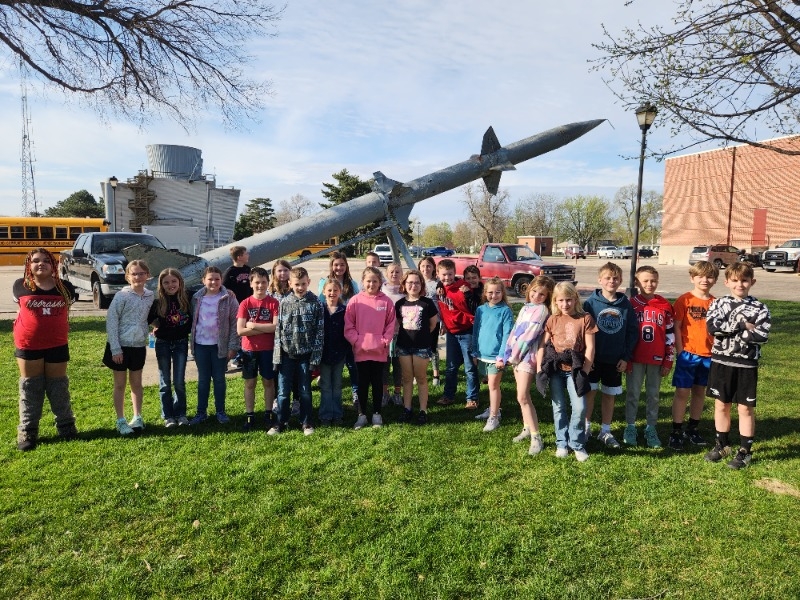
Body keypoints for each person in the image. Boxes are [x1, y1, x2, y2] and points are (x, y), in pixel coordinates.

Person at [703, 263, 770, 469]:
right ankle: (722, 445)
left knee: (745, 408)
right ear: (726, 282)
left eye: (744, 280)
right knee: (721, 404)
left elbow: (761, 335)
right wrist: (742, 326)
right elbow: (713, 328)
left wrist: (731, 331)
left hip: (746, 364)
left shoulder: (760, 308)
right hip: (721, 362)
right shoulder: (718, 304)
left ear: (752, 282)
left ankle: (745, 451)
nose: (739, 284)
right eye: (735, 280)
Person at [13, 248, 78, 450]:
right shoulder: (20, 286)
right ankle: (28, 432)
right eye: (35, 261)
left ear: (53, 265)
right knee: (31, 388)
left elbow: (68, 309)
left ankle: (66, 426)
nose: (40, 264)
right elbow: (20, 310)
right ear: (29, 266)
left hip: (57, 344)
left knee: (58, 387)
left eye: (45, 261)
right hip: (28, 345)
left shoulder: (65, 288)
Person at [536, 282, 597, 462]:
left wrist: (584, 370)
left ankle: (577, 443)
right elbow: (542, 345)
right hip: (555, 369)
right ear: (555, 301)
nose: (565, 304)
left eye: (568, 300)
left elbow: (590, 348)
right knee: (559, 407)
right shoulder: (552, 319)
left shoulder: (585, 318)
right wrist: (540, 367)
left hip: (576, 370)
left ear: (575, 299)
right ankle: (562, 443)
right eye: (561, 300)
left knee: (579, 407)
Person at [583, 262, 638, 449]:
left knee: (609, 395)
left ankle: (605, 430)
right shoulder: (590, 303)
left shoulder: (625, 304)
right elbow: (583, 332)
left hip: (615, 360)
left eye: (615, 278)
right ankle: (586, 427)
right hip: (593, 359)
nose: (611, 281)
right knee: (589, 392)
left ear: (621, 281)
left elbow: (632, 332)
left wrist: (626, 357)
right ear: (600, 280)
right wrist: (586, 357)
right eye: (608, 278)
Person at [668, 261, 719, 450]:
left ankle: (693, 428)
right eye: (700, 276)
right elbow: (677, 326)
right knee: (682, 392)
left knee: (699, 392)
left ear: (714, 280)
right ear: (692, 278)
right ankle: (676, 430)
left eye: (709, 276)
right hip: (688, 354)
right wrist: (680, 351)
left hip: (709, 355)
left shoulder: (716, 302)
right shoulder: (685, 300)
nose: (705, 280)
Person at [501, 275, 554, 455]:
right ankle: (526, 427)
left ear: (547, 297)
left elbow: (528, 336)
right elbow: (516, 331)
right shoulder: (526, 307)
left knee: (523, 396)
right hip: (516, 355)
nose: (536, 296)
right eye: (534, 291)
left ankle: (536, 437)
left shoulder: (541, 311)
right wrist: (507, 352)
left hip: (527, 356)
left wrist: (513, 355)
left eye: (542, 294)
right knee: (521, 396)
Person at [623, 266, 675, 448]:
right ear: (637, 282)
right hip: (635, 357)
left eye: (653, 280)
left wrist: (668, 359)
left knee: (653, 395)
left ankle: (650, 428)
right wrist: (626, 358)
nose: (649, 284)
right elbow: (626, 334)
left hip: (656, 357)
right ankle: (630, 426)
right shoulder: (630, 304)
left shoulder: (665, 305)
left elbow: (670, 335)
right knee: (633, 394)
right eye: (645, 281)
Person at [270, 266, 324, 436]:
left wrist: (315, 358)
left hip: (306, 356)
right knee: (283, 392)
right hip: (286, 355)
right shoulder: (284, 303)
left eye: (303, 284)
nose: (300, 287)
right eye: (297, 284)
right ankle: (280, 421)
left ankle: (307, 422)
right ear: (290, 283)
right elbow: (278, 331)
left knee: (305, 391)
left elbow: (319, 332)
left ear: (308, 282)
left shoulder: (316, 304)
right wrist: (277, 358)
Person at [103, 260, 155, 435]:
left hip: (138, 345)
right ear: (127, 277)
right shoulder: (121, 296)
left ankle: (137, 416)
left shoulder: (150, 296)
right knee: (120, 384)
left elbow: (149, 317)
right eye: (134, 274)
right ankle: (120, 420)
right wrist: (115, 349)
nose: (138, 277)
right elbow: (112, 321)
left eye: (141, 273)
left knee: (137, 383)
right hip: (120, 346)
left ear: (147, 275)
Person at [345, 266, 396, 430]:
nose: (372, 284)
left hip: (379, 351)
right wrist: (357, 341)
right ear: (363, 282)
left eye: (375, 281)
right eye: (368, 281)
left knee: (377, 383)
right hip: (361, 351)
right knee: (362, 383)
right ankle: (361, 415)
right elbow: (349, 325)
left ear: (380, 282)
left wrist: (383, 341)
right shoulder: (355, 301)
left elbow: (390, 325)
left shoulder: (386, 301)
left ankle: (376, 413)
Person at [189, 266, 239, 425]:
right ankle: (201, 412)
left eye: (217, 279)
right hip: (201, 346)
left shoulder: (228, 297)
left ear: (221, 280)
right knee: (203, 380)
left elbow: (234, 323)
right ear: (203, 280)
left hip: (220, 346)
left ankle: (220, 411)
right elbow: (193, 319)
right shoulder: (197, 298)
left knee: (219, 379)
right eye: (210, 279)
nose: (214, 282)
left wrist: (233, 346)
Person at [148, 268, 192, 428]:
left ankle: (180, 414)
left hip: (181, 343)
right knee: (165, 382)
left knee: (179, 381)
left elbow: (208, 289)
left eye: (174, 281)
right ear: (161, 285)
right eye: (166, 282)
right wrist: (158, 326)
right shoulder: (158, 302)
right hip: (163, 343)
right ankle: (168, 415)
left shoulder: (188, 297)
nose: (170, 285)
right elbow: (150, 318)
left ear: (180, 282)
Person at [236, 267, 279, 431]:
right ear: (251, 283)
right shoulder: (245, 303)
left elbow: (275, 327)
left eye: (263, 282)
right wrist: (264, 327)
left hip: (268, 349)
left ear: (268, 283)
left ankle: (268, 413)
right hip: (249, 349)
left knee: (268, 381)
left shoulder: (273, 303)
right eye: (257, 282)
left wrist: (253, 325)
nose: (260, 286)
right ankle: (250, 415)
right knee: (250, 382)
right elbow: (240, 330)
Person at [394, 269, 439, 425]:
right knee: (406, 378)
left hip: (422, 347)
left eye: (417, 282)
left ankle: (422, 410)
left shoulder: (427, 303)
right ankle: (407, 408)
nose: (413, 285)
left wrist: (422, 335)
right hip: (404, 346)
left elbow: (433, 324)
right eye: (410, 282)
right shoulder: (399, 303)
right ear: (405, 284)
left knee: (420, 378)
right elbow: (399, 323)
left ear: (421, 284)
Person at [318, 251, 360, 409]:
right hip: (332, 331)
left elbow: (356, 304)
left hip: (349, 329)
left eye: (342, 264)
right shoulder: (325, 283)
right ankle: (327, 395)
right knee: (331, 366)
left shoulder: (352, 284)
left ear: (346, 266)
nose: (339, 267)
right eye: (336, 264)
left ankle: (356, 392)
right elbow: (321, 304)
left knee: (352, 364)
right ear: (331, 266)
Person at [471, 277, 513, 432]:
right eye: (490, 292)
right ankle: (493, 408)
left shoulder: (505, 311)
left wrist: (502, 356)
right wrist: (474, 351)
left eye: (497, 292)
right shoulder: (480, 310)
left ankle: (494, 417)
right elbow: (476, 331)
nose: (494, 295)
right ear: (485, 293)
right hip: (482, 354)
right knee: (489, 385)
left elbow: (507, 335)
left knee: (494, 386)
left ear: (502, 293)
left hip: (496, 357)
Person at [435, 259, 479, 409]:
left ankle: (472, 398)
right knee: (451, 367)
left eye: (450, 274)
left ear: (455, 273)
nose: (447, 278)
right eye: (444, 275)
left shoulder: (463, 288)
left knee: (469, 367)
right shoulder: (440, 289)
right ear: (438, 274)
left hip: (467, 332)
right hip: (451, 333)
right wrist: (440, 284)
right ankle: (449, 395)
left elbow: (473, 304)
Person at [319, 279, 349, 425]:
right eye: (329, 290)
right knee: (325, 385)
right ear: (324, 292)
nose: (332, 293)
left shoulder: (345, 311)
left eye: (335, 290)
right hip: (324, 354)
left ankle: (337, 414)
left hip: (339, 353)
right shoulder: (320, 310)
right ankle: (325, 415)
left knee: (337, 385)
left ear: (340, 292)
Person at [223, 245, 253, 371]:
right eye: (246, 253)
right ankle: (227, 359)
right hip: (236, 307)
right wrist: (229, 290)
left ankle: (239, 357)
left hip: (248, 306)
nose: (248, 255)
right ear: (240, 257)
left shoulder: (248, 269)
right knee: (235, 333)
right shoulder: (230, 271)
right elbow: (223, 287)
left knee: (246, 333)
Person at [382, 262, 404, 406]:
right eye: (391, 272)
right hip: (384, 335)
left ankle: (397, 393)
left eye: (397, 272)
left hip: (401, 335)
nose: (394, 274)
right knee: (384, 365)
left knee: (398, 366)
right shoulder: (381, 292)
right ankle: (384, 393)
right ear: (386, 274)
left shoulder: (405, 292)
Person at [417, 256, 441, 386]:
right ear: (419, 267)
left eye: (428, 266)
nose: (425, 269)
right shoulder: (416, 281)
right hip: (417, 321)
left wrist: (441, 321)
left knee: (432, 347)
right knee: (418, 347)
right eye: (423, 266)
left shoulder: (438, 283)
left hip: (434, 321)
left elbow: (441, 304)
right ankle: (419, 373)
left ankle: (436, 374)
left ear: (433, 268)